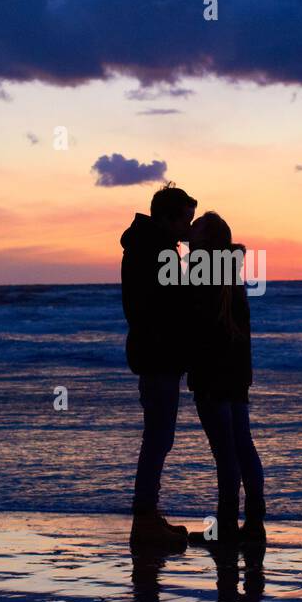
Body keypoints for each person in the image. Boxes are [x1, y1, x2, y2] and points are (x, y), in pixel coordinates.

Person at [120, 183, 198, 547]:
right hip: (158, 356)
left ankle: (148, 517)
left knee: (157, 438)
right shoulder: (156, 251)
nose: (187, 229)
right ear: (167, 219)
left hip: (155, 354)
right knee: (157, 439)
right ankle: (145, 519)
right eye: (185, 221)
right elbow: (171, 305)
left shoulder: (147, 246)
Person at [185, 212, 266, 547]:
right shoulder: (232, 273)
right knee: (242, 447)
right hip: (235, 374)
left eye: (197, 229)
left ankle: (228, 527)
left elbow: (196, 330)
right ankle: (254, 525)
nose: (190, 231)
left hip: (212, 374)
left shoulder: (202, 274)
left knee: (227, 453)